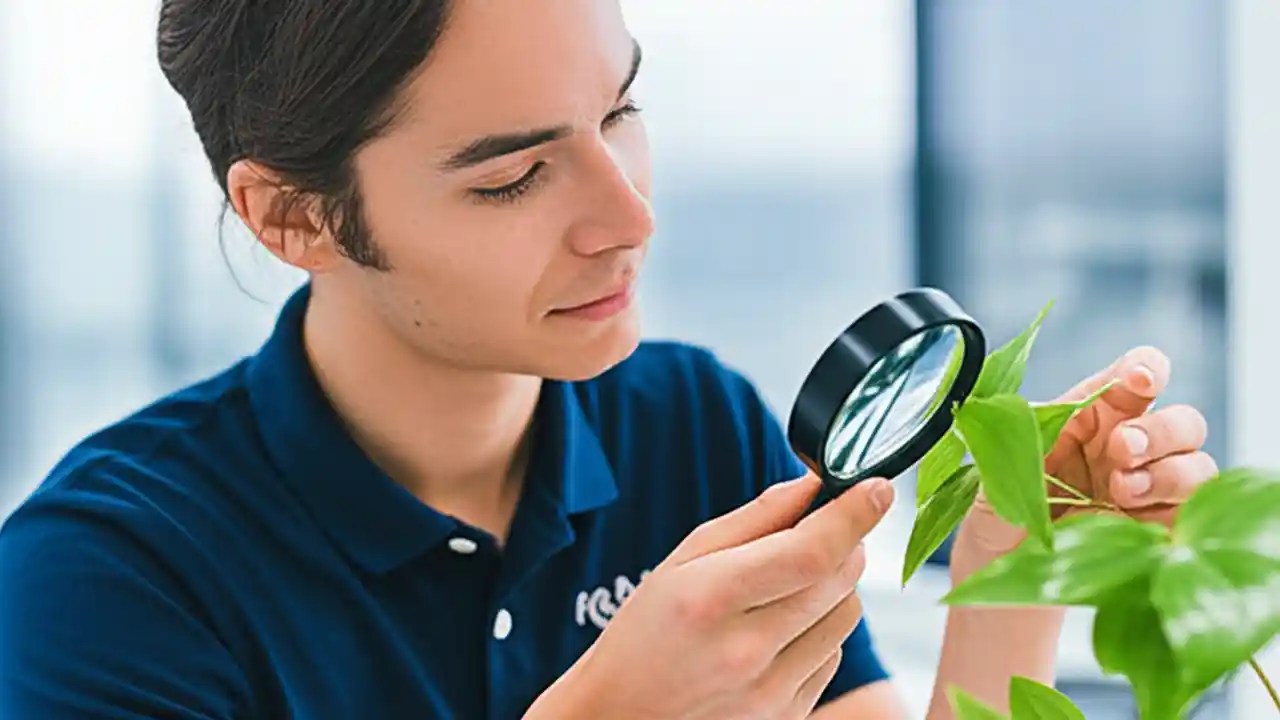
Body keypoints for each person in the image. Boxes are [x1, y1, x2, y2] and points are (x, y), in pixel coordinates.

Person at [0, 1, 1220, 718]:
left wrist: (1016, 568)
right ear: (292, 219)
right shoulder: (104, 579)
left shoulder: (693, 426)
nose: (628, 215)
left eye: (620, 113)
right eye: (513, 175)